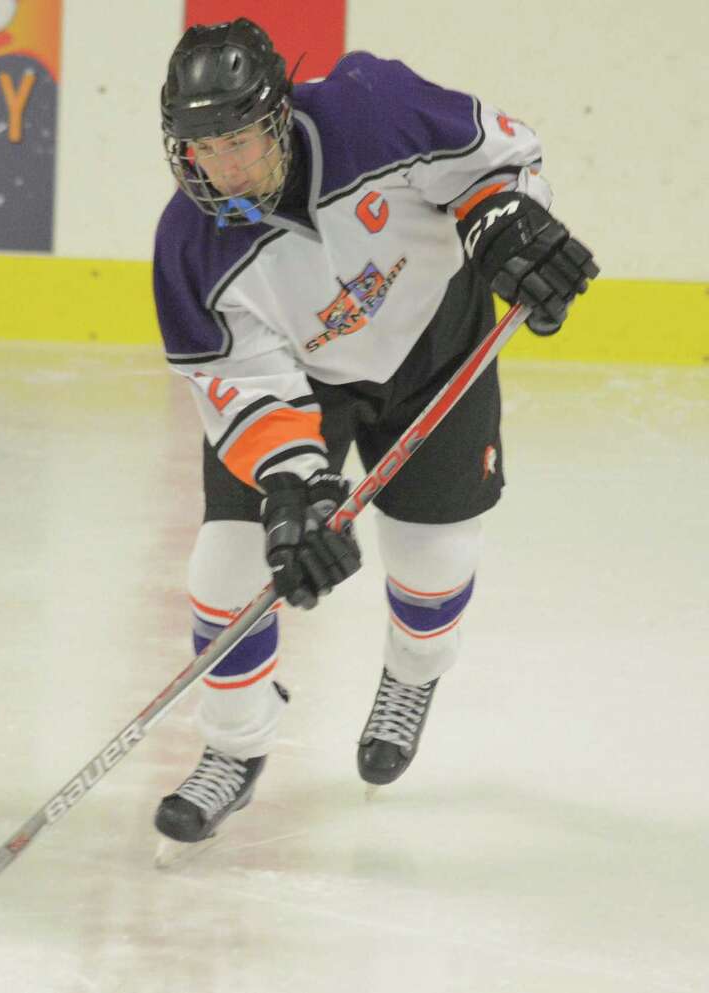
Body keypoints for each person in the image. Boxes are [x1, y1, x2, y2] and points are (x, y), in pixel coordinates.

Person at [150, 17, 598, 850]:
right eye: (204, 148)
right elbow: (244, 382)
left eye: (239, 140)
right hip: (305, 383)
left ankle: (412, 674)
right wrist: (297, 488)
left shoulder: (373, 109)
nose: (225, 167)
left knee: (434, 557)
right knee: (227, 563)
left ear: (279, 117)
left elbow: (498, 159)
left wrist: (505, 221)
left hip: (437, 338)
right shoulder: (189, 243)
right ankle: (234, 745)